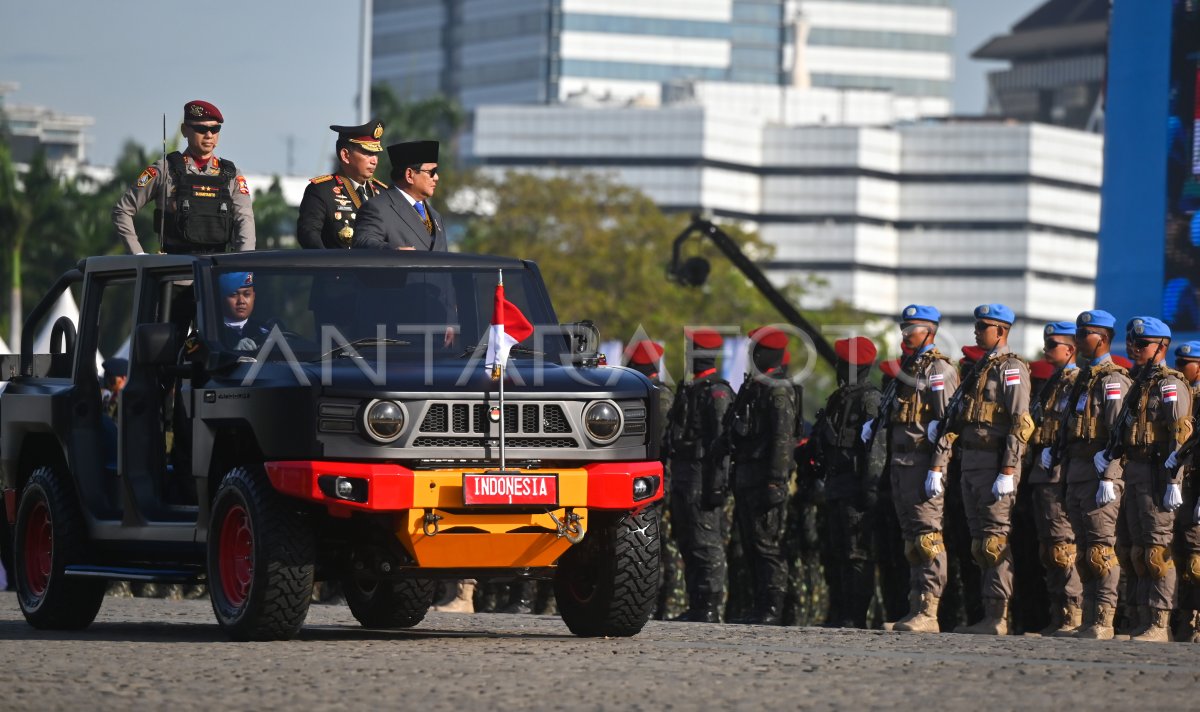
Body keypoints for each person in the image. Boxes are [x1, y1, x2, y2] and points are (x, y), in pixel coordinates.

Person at [929, 304, 1033, 635]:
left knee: (994, 541)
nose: (977, 331)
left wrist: (1008, 468)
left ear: (1001, 330)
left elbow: (1021, 423)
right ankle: (987, 613)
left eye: (984, 326)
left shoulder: (1011, 368)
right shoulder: (980, 369)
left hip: (994, 464)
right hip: (972, 463)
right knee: (979, 543)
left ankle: (998, 617)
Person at [862, 305, 959, 633]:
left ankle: (929, 610)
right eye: (904, 327)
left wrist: (937, 467)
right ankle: (915, 605)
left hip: (922, 463)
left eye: (912, 328)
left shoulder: (938, 370)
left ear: (930, 331)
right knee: (911, 538)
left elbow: (947, 423)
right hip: (902, 462)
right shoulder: (910, 368)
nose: (906, 334)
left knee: (928, 535)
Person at [1115, 317, 1192, 642]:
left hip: (1158, 472)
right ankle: (1140, 617)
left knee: (1156, 550)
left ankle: (1159, 623)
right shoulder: (1137, 382)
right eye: (1132, 342)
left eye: (1142, 344)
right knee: (1135, 551)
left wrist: (1175, 478)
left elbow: (1180, 431)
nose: (1134, 348)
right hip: (1133, 471)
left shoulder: (1170, 384)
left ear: (1162, 347)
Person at [1059, 309, 1131, 640]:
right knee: (1085, 548)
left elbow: (1119, 432)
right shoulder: (1086, 378)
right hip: (1077, 471)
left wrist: (1110, 475)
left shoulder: (1113, 379)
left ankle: (1104, 618)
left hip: (1099, 473)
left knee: (1101, 549)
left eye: (1083, 333)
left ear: (1100, 337)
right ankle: (1089, 617)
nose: (1076, 340)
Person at [112, 100, 255, 255]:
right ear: (184, 130)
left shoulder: (231, 175)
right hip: (175, 272)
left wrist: (242, 264)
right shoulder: (164, 170)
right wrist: (139, 256)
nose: (209, 135)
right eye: (201, 129)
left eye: (215, 129)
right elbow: (122, 211)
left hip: (215, 271)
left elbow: (245, 221)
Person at [808, 336, 881, 628]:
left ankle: (854, 615)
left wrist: (870, 488)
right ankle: (838, 610)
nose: (837, 366)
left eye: (842, 362)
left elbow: (875, 446)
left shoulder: (870, 400)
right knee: (835, 550)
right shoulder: (838, 399)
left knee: (856, 553)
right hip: (836, 485)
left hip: (855, 486)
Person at [727, 326, 797, 625]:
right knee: (751, 544)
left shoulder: (778, 389)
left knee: (767, 546)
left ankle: (772, 606)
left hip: (764, 479)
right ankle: (759, 603)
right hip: (745, 476)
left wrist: (776, 480)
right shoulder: (755, 387)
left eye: (757, 349)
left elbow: (783, 439)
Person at [666, 328, 734, 622]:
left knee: (707, 542)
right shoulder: (691, 389)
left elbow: (721, 442)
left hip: (702, 472)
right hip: (683, 472)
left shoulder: (717, 392)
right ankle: (696, 602)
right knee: (688, 539)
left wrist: (717, 483)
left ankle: (709, 604)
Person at [1026, 322, 1085, 636]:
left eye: (1052, 345)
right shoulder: (1053, 383)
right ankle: (1058, 614)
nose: (1046, 351)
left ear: (1070, 349)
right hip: (1043, 471)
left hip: (1060, 473)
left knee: (1063, 547)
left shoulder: (1077, 384)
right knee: (1049, 549)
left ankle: (1073, 613)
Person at [297, 120, 388, 249]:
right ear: (345, 155)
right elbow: (309, 236)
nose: (374, 160)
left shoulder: (382, 193)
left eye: (376, 154)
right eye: (367, 153)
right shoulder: (321, 190)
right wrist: (330, 266)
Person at [352, 140, 447, 251]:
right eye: (432, 172)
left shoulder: (436, 217)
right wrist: (394, 252)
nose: (436, 177)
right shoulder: (378, 208)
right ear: (409, 175)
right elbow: (363, 242)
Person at [1170, 340, 1200, 641]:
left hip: (1196, 484)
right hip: (1180, 484)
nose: (1179, 370)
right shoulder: (1182, 395)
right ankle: (1180, 619)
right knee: (1177, 553)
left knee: (1196, 558)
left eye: (1185, 365)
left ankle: (1196, 622)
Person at [217, 272, 272, 351]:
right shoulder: (211, 333)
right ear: (221, 297)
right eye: (233, 295)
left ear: (253, 296)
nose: (241, 301)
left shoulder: (264, 331)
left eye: (247, 294)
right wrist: (234, 353)